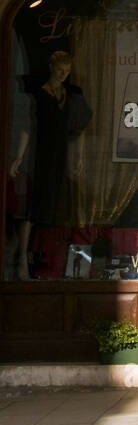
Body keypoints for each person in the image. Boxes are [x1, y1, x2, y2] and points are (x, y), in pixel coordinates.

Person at [10, 51, 92, 279]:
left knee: (54, 206)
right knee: (33, 206)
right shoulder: (38, 95)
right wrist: (18, 157)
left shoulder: (71, 95)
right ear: (51, 67)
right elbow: (28, 127)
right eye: (59, 70)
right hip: (40, 154)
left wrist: (80, 157)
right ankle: (21, 260)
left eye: (67, 71)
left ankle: (45, 259)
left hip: (60, 156)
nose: (63, 75)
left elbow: (79, 129)